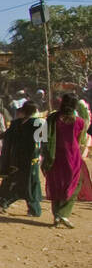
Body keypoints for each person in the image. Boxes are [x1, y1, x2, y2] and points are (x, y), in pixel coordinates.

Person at [44, 94, 87, 228]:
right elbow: (79, 141)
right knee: (74, 184)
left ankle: (57, 215)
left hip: (54, 155)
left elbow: (45, 136)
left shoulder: (52, 118)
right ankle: (63, 214)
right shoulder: (80, 121)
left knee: (56, 184)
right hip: (72, 156)